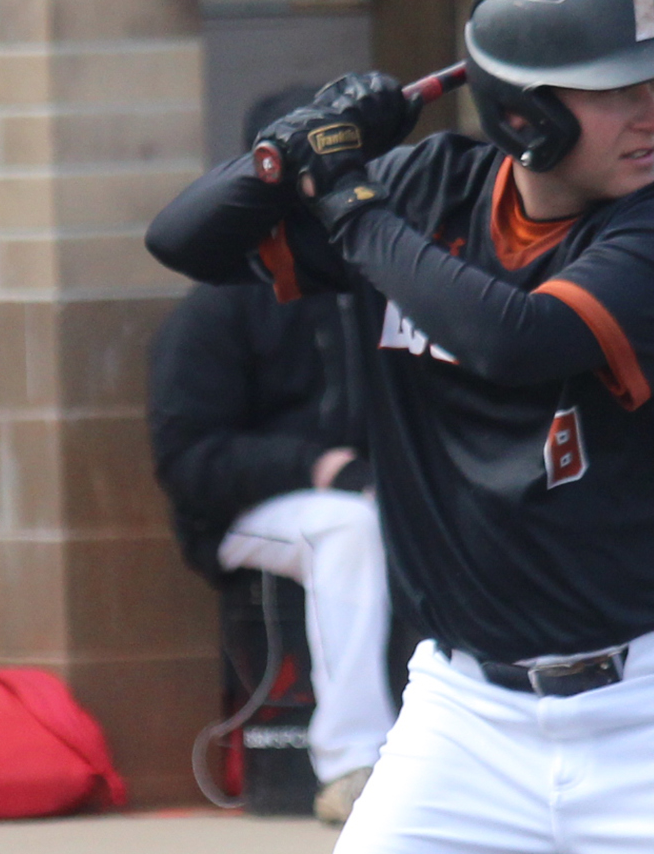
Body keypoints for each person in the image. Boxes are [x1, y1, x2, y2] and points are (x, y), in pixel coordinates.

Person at [147, 0, 654, 852]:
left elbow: (519, 340)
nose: (651, 114)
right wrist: (290, 151)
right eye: (613, 89)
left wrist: (348, 204)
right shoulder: (426, 190)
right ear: (523, 115)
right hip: (468, 716)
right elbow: (185, 240)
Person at [149, 87, 397, 825]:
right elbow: (188, 459)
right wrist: (316, 468)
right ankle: (354, 762)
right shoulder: (219, 301)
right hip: (240, 520)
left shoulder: (382, 271)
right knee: (345, 530)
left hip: (375, 497)